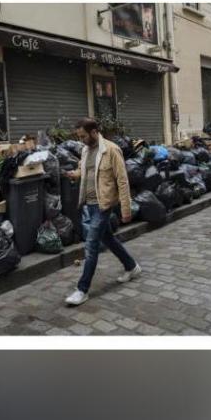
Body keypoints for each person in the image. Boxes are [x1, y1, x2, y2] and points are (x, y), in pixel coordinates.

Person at [64, 118, 142, 307]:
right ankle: (132, 267)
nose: (81, 139)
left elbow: (122, 181)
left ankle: (82, 290)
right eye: (78, 136)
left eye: (83, 136)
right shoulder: (85, 150)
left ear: (93, 132)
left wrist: (126, 208)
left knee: (91, 244)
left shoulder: (111, 150)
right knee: (107, 238)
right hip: (89, 204)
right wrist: (75, 174)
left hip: (103, 204)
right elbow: (86, 169)